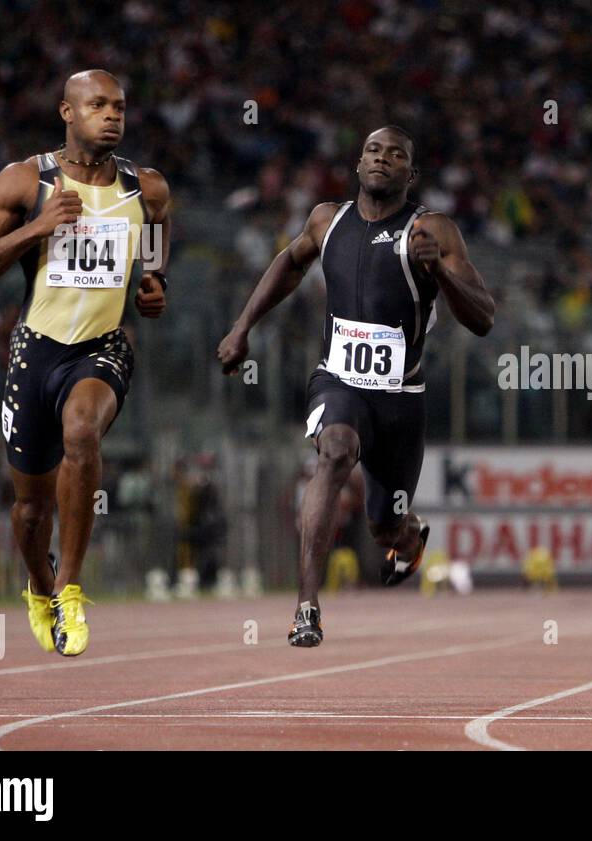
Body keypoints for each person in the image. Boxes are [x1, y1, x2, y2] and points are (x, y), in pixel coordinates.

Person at [218, 126, 494, 647]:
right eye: (372, 150)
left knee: (384, 528)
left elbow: (483, 318)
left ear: (410, 175)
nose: (381, 159)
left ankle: (409, 539)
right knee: (335, 453)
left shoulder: (432, 229)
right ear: (357, 163)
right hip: (338, 380)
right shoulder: (328, 220)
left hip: (401, 399)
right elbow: (290, 263)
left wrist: (440, 271)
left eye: (395, 155)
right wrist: (241, 327)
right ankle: (307, 605)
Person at [0, 69, 170, 656]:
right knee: (28, 511)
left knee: (82, 431)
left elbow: (158, 230)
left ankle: (71, 588)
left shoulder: (144, 187)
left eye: (120, 106)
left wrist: (153, 279)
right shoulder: (26, 181)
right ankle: (40, 585)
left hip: (101, 346)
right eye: (98, 105)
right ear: (67, 113)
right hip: (35, 351)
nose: (113, 115)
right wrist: (37, 230)